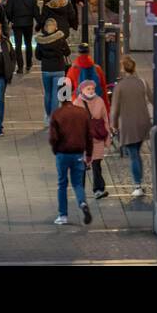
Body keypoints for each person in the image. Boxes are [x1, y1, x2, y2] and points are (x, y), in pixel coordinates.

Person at [109, 57, 152, 197]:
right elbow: (153, 100)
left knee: (133, 155)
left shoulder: (119, 87)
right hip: (143, 122)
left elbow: (114, 110)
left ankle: (137, 185)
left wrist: (113, 126)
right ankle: (139, 181)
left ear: (123, 68)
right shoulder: (142, 83)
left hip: (128, 125)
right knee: (137, 153)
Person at [49, 92, 93, 226]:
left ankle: (63, 215)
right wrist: (89, 154)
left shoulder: (57, 114)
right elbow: (89, 135)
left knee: (62, 183)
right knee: (77, 183)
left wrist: (55, 150)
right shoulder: (82, 113)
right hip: (78, 153)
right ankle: (82, 202)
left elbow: (53, 138)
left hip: (63, 153)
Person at [34, 16, 72, 126]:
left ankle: (47, 116)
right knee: (56, 94)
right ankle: (53, 117)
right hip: (59, 69)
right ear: (55, 28)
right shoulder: (60, 38)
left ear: (45, 28)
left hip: (46, 69)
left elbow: (37, 56)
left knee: (48, 93)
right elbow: (68, 52)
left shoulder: (41, 40)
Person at [75, 79, 110, 198]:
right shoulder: (77, 103)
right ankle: (80, 190)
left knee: (96, 165)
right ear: (82, 90)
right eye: (88, 89)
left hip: (98, 139)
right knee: (82, 166)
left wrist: (107, 138)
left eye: (92, 89)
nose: (91, 91)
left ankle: (98, 189)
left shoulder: (99, 101)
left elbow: (105, 119)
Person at [5, 0, 39, 75]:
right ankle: (28, 64)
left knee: (18, 45)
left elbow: (8, 10)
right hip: (28, 23)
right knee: (28, 44)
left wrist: (10, 19)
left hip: (17, 23)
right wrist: (39, 23)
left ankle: (20, 67)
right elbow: (35, 11)